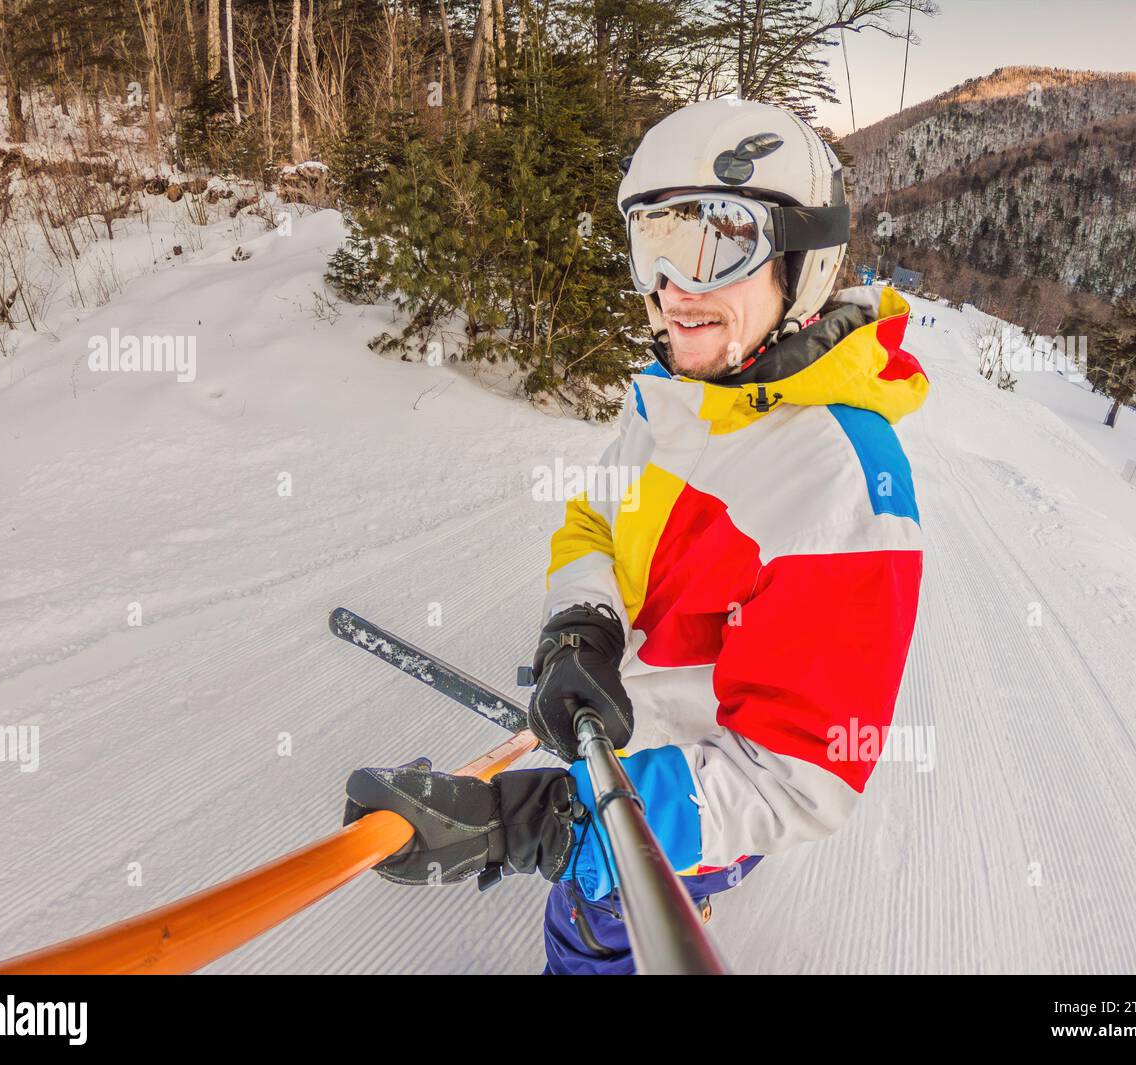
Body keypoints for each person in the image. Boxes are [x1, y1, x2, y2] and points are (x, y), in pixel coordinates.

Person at [342, 98, 930, 975]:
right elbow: (596, 518)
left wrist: (549, 821)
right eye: (652, 242)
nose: (675, 288)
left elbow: (797, 777)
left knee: (593, 928)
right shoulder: (680, 391)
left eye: (718, 244)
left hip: (690, 794)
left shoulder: (844, 480)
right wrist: (584, 627)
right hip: (627, 726)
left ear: (803, 264)